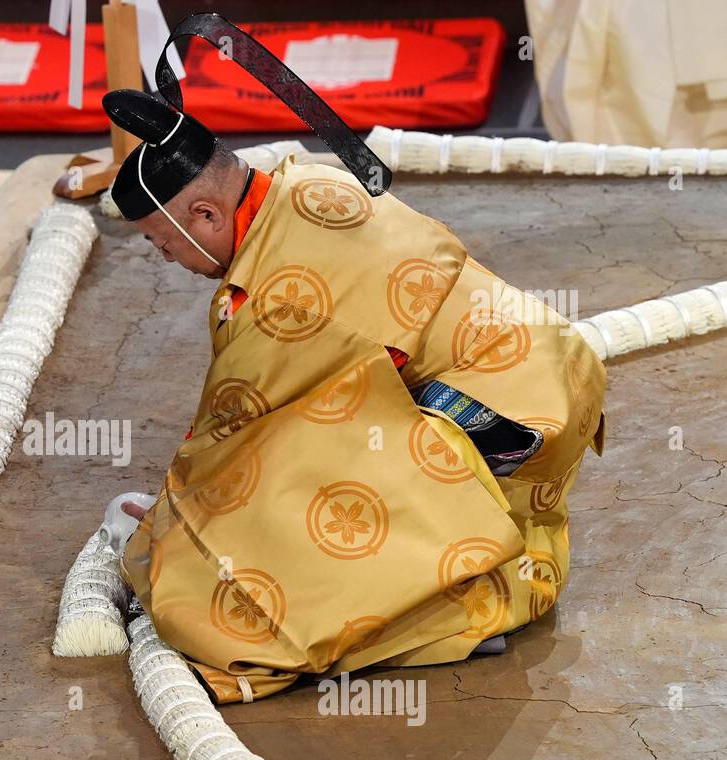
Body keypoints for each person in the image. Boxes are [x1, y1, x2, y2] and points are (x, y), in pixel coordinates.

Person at [106, 87, 607, 704]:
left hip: (501, 416)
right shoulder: (306, 185)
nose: (168, 259)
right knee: (320, 441)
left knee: (250, 547)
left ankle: (460, 613)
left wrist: (163, 525)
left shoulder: (272, 299)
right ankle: (476, 564)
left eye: (164, 241)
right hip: (554, 374)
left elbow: (231, 440)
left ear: (206, 214)